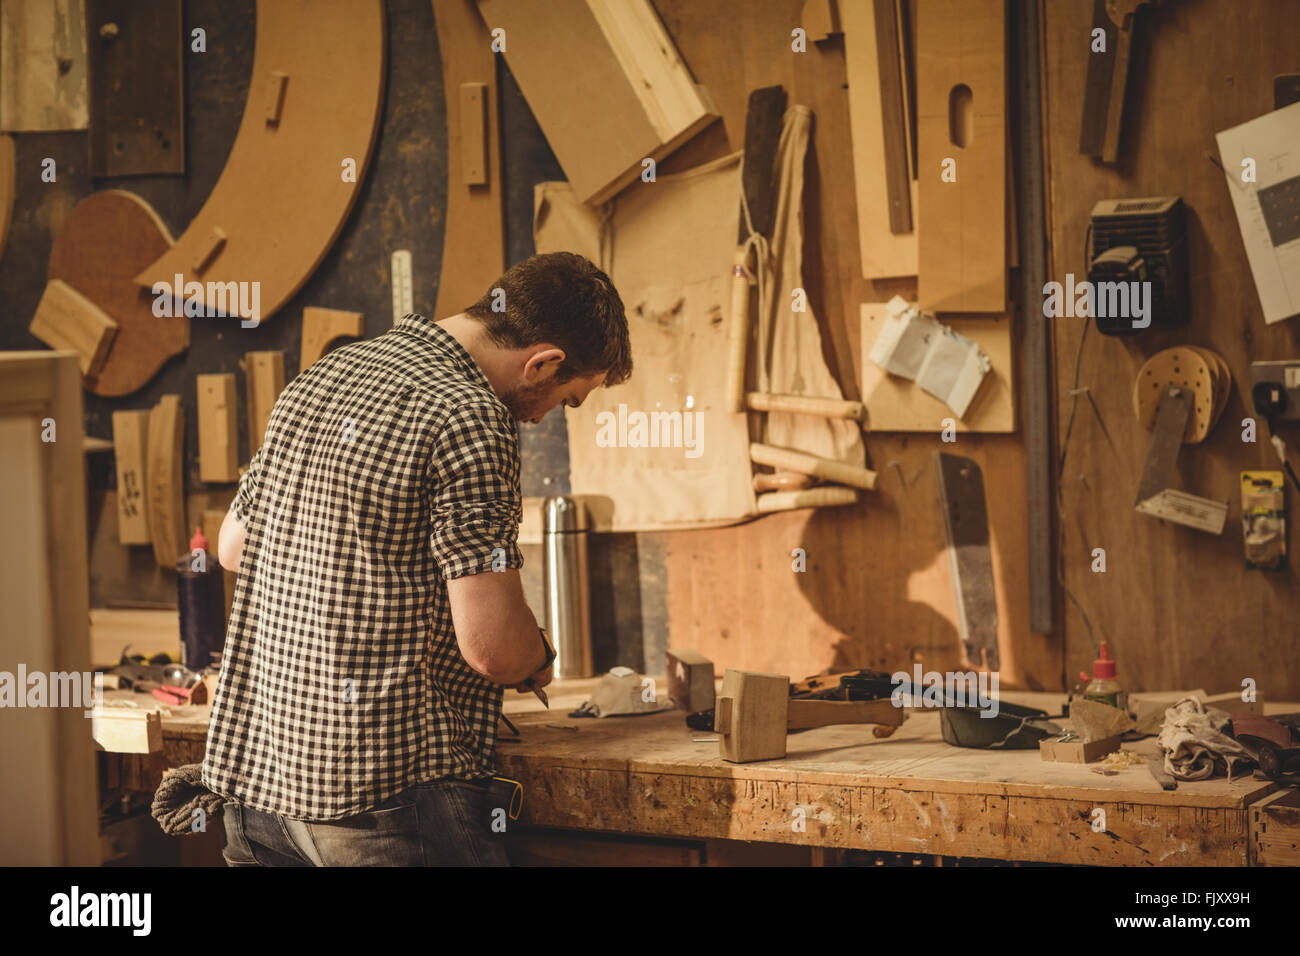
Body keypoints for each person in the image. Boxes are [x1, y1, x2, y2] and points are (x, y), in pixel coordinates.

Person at [203, 252, 631, 866]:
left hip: (262, 793)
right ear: (543, 362)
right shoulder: (470, 414)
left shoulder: (327, 374)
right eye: (568, 399)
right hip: (382, 804)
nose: (543, 417)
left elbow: (234, 548)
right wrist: (536, 656)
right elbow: (494, 651)